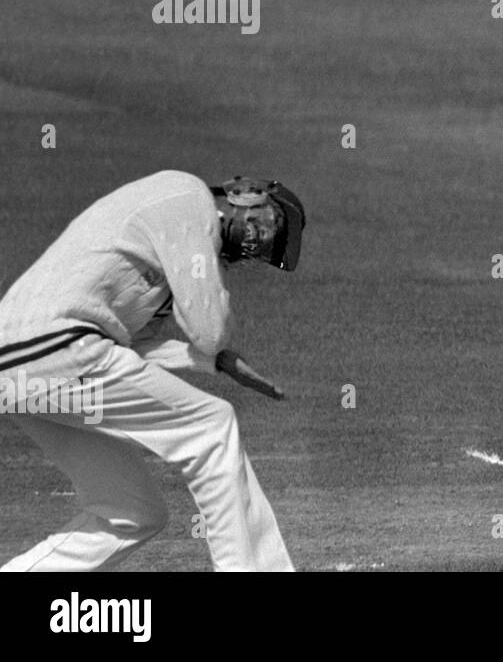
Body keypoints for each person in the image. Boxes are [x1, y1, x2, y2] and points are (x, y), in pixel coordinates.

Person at [0, 170, 304, 571]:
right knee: (212, 427)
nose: (257, 240)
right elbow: (209, 329)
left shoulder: (170, 238)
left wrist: (216, 362)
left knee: (130, 511)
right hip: (59, 347)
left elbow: (134, 344)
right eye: (263, 223)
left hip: (24, 368)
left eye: (264, 243)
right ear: (242, 194)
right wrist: (215, 348)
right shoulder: (188, 200)